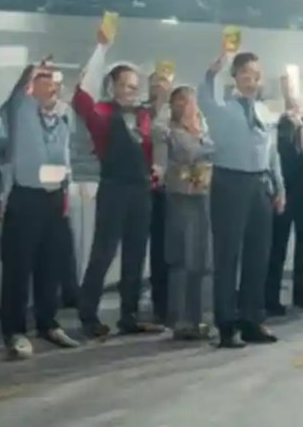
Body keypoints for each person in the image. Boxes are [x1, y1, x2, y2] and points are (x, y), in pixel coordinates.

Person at [71, 26, 159, 339]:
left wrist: (155, 170)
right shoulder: (103, 112)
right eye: (125, 86)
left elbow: (150, 151)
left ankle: (129, 315)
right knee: (104, 252)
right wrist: (101, 50)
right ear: (113, 86)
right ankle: (87, 314)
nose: (130, 91)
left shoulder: (145, 116)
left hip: (141, 192)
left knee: (136, 254)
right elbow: (81, 98)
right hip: (114, 189)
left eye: (135, 86)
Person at [200, 49, 286, 349]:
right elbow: (204, 98)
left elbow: (272, 153)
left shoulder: (264, 111)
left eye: (256, 74)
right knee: (227, 256)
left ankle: (252, 319)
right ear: (235, 77)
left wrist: (279, 187)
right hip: (230, 182)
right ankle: (226, 324)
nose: (252, 80)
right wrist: (212, 73)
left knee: (258, 255)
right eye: (246, 74)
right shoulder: (222, 108)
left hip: (260, 183)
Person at [0, 59, 82, 359]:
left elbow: (66, 160)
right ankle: (14, 331)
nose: (53, 88)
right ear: (34, 86)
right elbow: (18, 94)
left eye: (56, 83)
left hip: (54, 198)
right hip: (25, 198)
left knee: (52, 265)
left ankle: (48, 322)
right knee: (18, 268)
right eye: (46, 82)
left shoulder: (62, 117)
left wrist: (66, 194)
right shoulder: (20, 111)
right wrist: (32, 70)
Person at [156, 86, 215, 341]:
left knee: (201, 260)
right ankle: (179, 318)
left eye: (191, 101)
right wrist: (198, 138)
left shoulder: (203, 130)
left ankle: (198, 317)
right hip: (181, 198)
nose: (188, 106)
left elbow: (214, 149)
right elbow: (190, 153)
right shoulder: (169, 132)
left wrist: (201, 136)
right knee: (181, 258)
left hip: (203, 198)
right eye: (182, 101)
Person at [267, 76, 303, 315]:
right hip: (288, 192)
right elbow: (287, 158)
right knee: (278, 246)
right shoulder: (283, 126)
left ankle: (299, 293)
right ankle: (271, 296)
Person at [146, 69, 174, 326]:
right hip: (142, 186)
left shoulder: (173, 114)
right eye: (155, 82)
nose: (160, 87)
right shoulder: (141, 113)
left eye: (164, 82)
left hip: (167, 188)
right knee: (139, 250)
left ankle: (164, 305)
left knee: (163, 250)